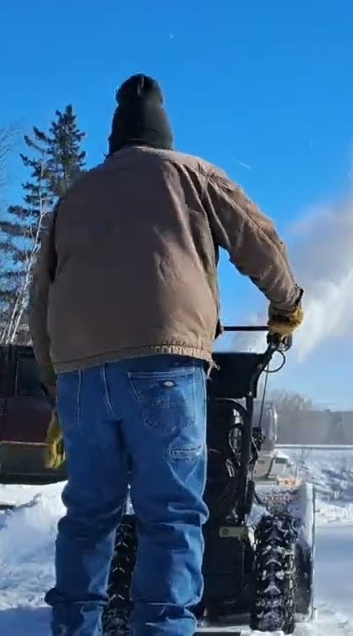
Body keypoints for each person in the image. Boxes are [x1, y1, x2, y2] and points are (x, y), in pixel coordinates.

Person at [28, 73, 305, 636]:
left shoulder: (73, 198)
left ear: (116, 142)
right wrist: (287, 304)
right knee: (171, 515)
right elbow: (260, 242)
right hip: (164, 365)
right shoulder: (193, 177)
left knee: (88, 518)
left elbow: (41, 295)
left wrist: (55, 383)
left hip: (81, 376)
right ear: (164, 136)